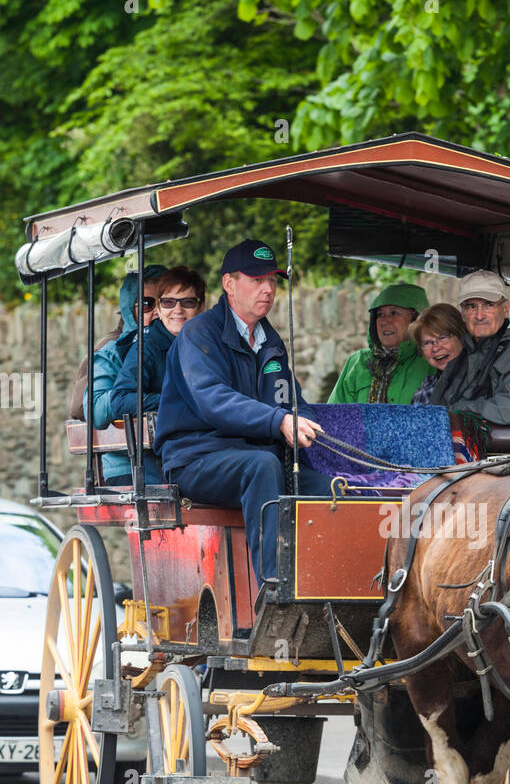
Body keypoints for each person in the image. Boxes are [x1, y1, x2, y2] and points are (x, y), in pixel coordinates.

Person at [154, 239, 333, 587]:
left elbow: (288, 397)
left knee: (331, 489)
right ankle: (275, 590)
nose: (267, 289)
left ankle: (328, 588)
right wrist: (277, 421)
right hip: (196, 459)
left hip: (254, 456)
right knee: (263, 466)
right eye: (256, 279)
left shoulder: (270, 340)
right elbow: (213, 400)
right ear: (229, 283)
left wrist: (307, 421)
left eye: (273, 280)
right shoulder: (197, 334)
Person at [81, 264, 166, 485]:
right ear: (131, 308)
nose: (157, 311)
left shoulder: (187, 347)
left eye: (164, 301)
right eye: (147, 304)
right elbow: (97, 409)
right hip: (128, 466)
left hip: (174, 458)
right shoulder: (112, 353)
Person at [429, 270, 510, 424]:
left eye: (488, 305)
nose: (479, 316)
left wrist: (456, 412)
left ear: (505, 309)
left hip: (504, 448)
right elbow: (434, 407)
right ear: (463, 313)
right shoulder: (462, 353)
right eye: (472, 306)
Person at [109, 265, 206, 422]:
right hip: (174, 438)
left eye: (188, 302)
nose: (178, 309)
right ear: (159, 309)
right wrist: (179, 400)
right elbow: (120, 401)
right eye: (169, 302)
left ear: (201, 307)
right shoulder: (146, 346)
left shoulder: (212, 342)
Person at [329, 282, 432, 404]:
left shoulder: (431, 360)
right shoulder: (357, 361)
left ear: (416, 319)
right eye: (380, 314)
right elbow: (336, 413)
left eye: (394, 313)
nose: (384, 321)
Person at [408, 304, 466, 405]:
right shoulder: (427, 388)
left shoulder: (479, 380)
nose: (435, 348)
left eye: (442, 338)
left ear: (461, 335)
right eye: (427, 343)